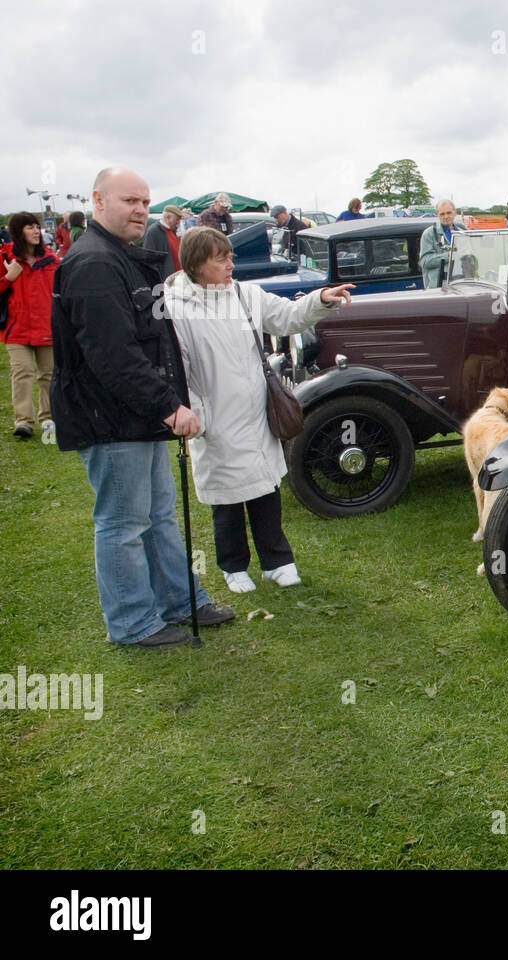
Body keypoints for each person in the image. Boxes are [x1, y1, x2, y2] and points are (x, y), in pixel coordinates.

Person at [50, 166, 234, 649]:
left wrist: (165, 405)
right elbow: (113, 356)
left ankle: (179, 601)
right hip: (112, 421)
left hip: (140, 417)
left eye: (145, 202)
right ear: (98, 201)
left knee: (157, 516)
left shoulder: (124, 258)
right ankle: (132, 622)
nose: (139, 210)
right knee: (122, 523)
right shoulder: (93, 265)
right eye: (129, 200)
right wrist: (168, 407)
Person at [164, 227, 354, 594]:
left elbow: (286, 317)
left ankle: (277, 561)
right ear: (196, 264)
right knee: (227, 498)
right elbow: (179, 367)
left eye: (230, 256)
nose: (231, 264)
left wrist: (322, 299)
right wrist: (196, 416)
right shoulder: (176, 308)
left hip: (256, 410)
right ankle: (233, 567)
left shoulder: (242, 293)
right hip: (215, 415)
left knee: (266, 491)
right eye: (222, 259)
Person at [1, 212, 59, 440]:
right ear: (18, 231)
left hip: (46, 327)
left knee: (48, 374)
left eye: (37, 226)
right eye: (29, 227)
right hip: (17, 329)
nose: (36, 231)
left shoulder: (52, 260)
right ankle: (23, 420)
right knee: (22, 372)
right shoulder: (5, 258)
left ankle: (48, 417)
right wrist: (9, 278)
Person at [419, 199, 467, 288]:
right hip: (439, 288)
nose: (446, 216)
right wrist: (450, 255)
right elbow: (425, 262)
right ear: (437, 215)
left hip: (461, 285)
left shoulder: (462, 234)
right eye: (442, 214)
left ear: (455, 213)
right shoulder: (429, 234)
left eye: (449, 213)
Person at [143, 204, 183, 273]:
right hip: (165, 279)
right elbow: (149, 259)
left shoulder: (172, 230)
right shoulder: (154, 231)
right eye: (177, 220)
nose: (178, 223)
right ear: (167, 217)